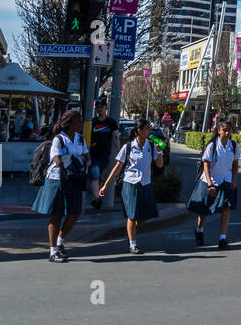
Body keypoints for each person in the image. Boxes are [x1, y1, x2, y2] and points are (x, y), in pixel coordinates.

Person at [31, 110, 90, 262]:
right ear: (70, 122)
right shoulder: (59, 139)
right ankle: (53, 251)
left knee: (75, 213)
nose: (81, 123)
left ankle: (60, 241)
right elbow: (57, 160)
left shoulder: (80, 139)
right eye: (79, 120)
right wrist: (73, 162)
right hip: (58, 180)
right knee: (56, 215)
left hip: (75, 179)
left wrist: (84, 164)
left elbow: (86, 157)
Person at [99, 118, 164, 255]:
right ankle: (133, 244)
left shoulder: (151, 146)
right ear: (139, 131)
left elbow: (159, 165)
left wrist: (159, 152)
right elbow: (117, 167)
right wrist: (105, 185)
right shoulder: (128, 147)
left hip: (145, 183)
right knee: (132, 215)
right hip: (130, 183)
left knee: (145, 217)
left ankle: (131, 232)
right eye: (147, 128)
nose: (149, 131)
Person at [188, 121, 240, 249]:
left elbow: (235, 164)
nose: (227, 133)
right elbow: (206, 166)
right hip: (211, 181)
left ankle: (222, 239)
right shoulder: (212, 145)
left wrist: (234, 180)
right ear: (219, 131)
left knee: (226, 207)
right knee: (205, 210)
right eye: (225, 130)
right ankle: (199, 230)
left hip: (226, 181)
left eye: (229, 130)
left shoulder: (233, 145)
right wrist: (210, 184)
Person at [88, 102, 119, 211]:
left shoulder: (111, 122)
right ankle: (97, 199)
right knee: (95, 175)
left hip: (106, 153)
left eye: (102, 107)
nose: (100, 109)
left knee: (101, 177)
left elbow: (115, 137)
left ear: (106, 108)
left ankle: (98, 197)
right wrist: (90, 144)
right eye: (98, 107)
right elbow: (87, 136)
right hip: (93, 153)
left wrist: (119, 151)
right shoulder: (92, 122)